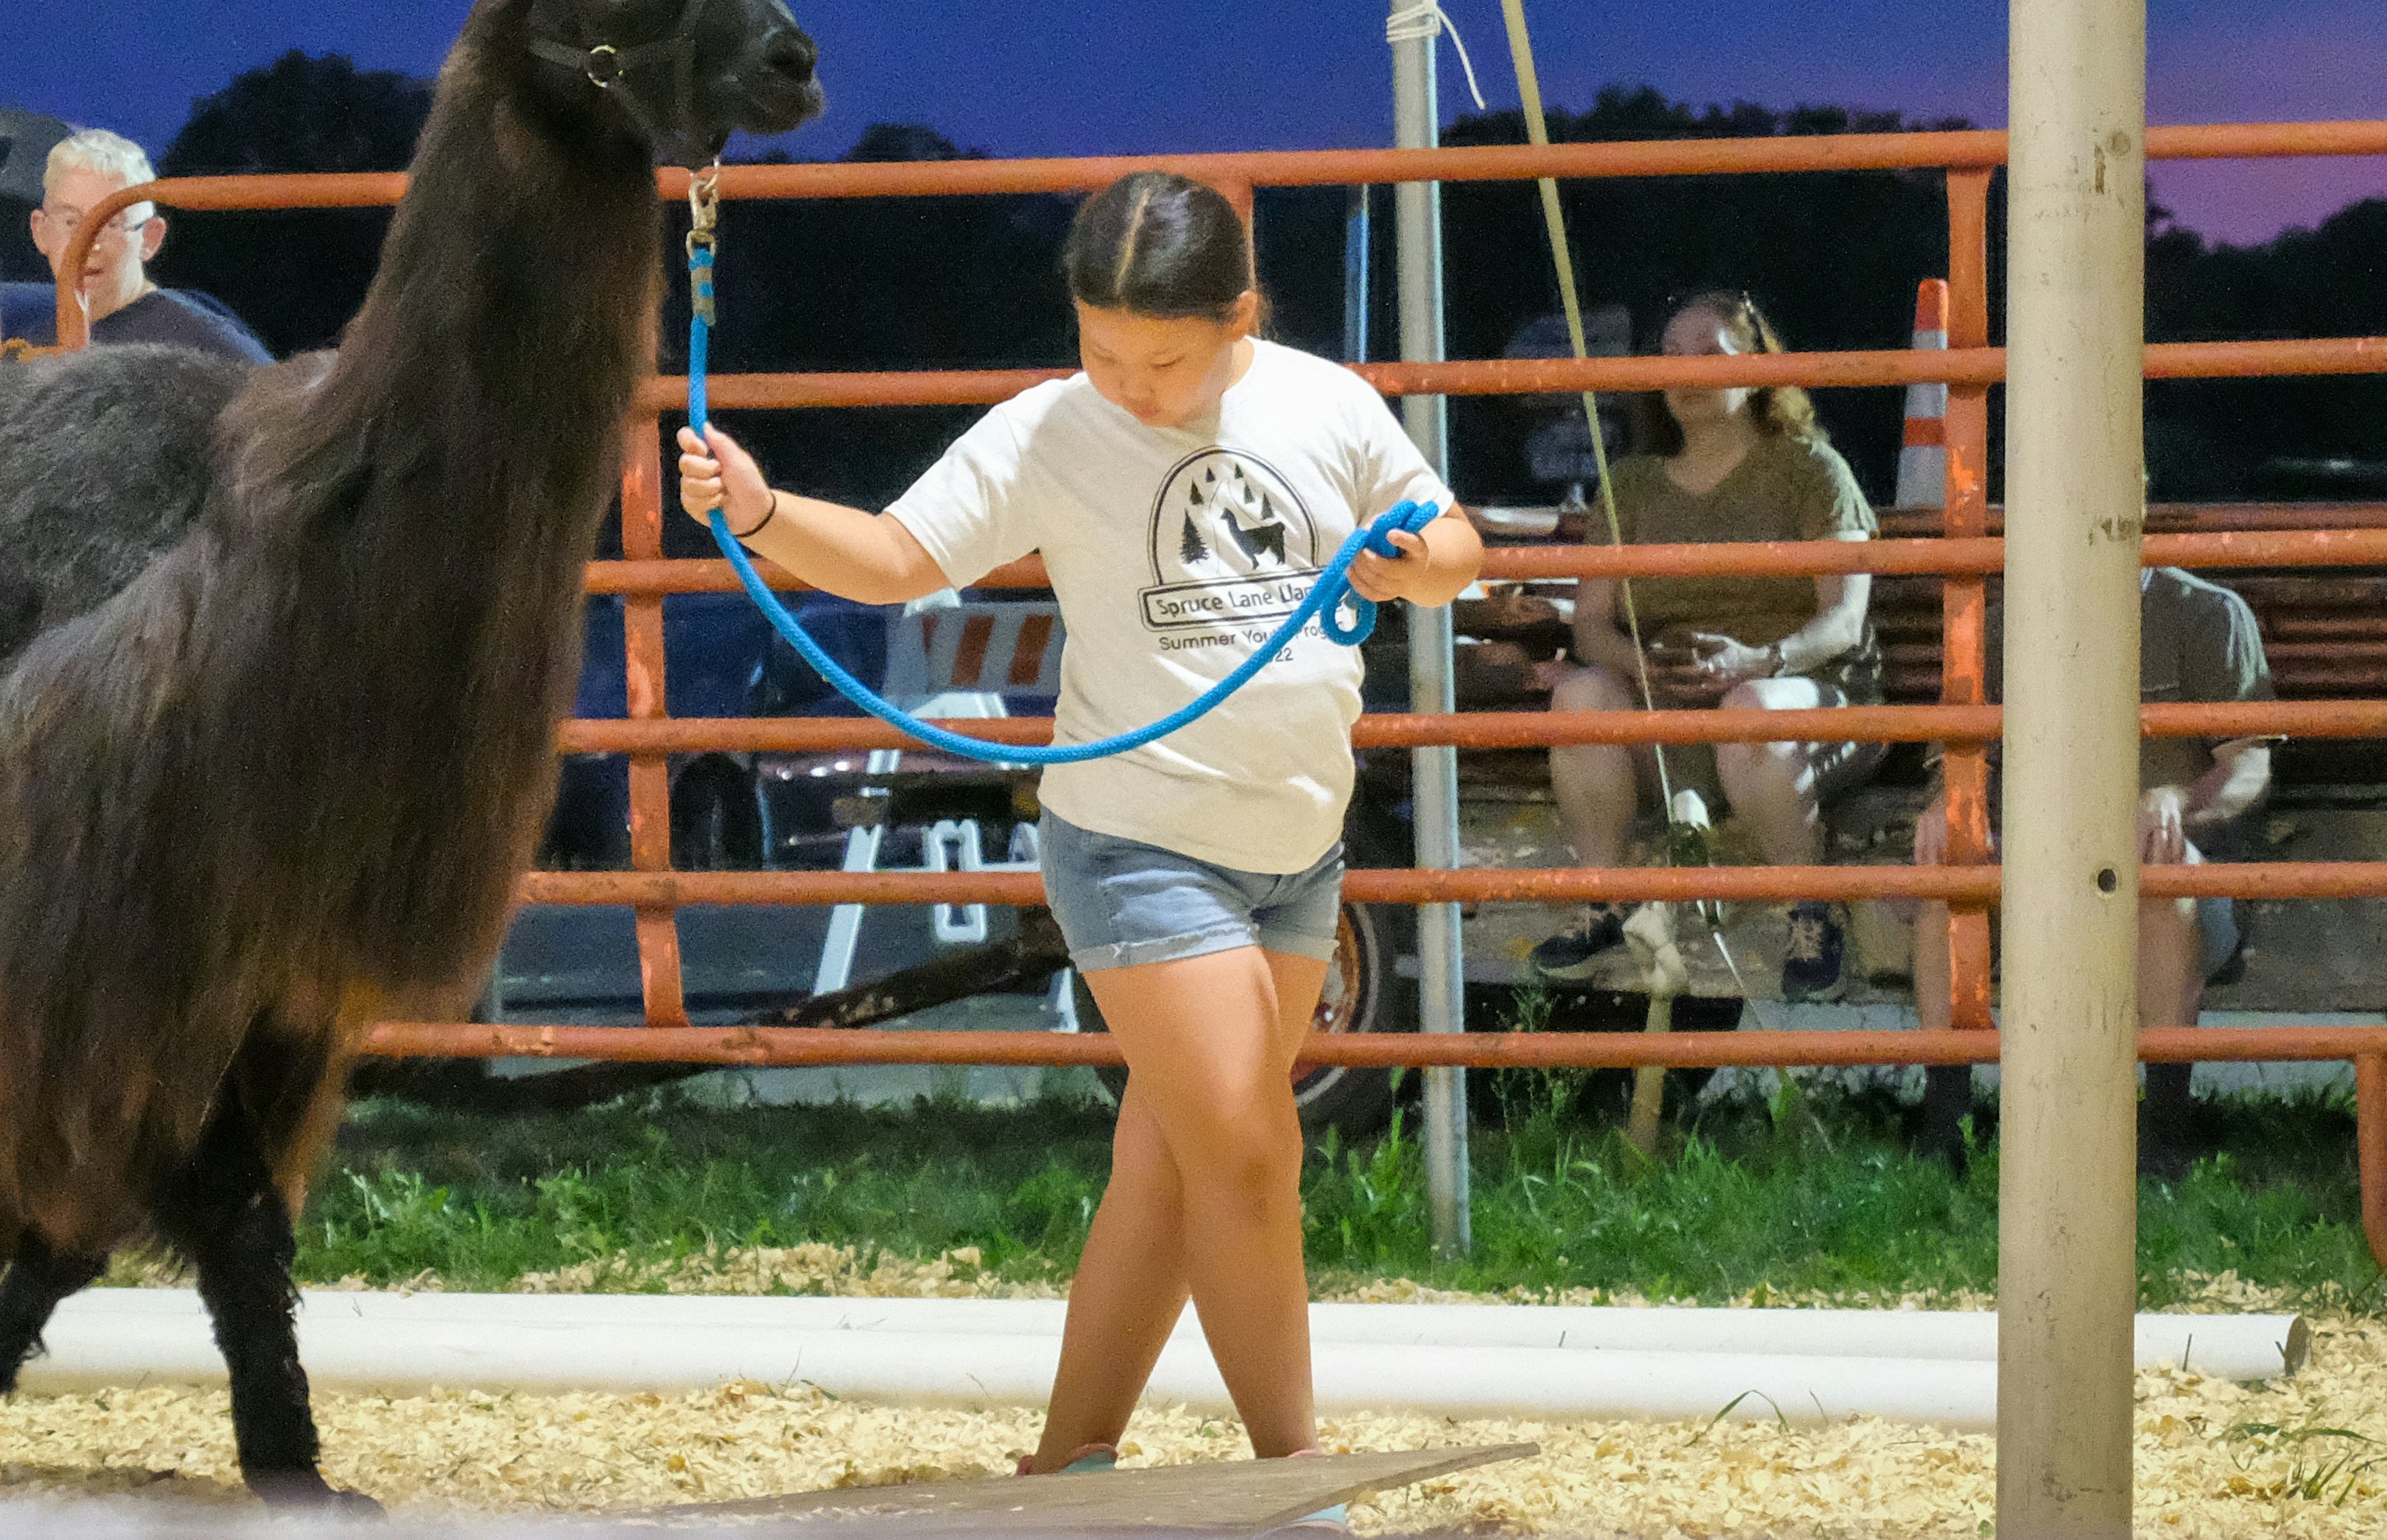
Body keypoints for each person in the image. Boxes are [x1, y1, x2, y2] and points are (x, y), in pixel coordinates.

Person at [674, 171, 1476, 1471]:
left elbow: (1451, 543)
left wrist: (1420, 562)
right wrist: (760, 513)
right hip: (1136, 845)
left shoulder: (1325, 404)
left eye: (1161, 359)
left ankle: (1066, 1463)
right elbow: (895, 556)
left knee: (1171, 1168)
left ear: (1240, 316)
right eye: (1100, 349)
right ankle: (1298, 1475)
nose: (1129, 385)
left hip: (1293, 850)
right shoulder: (1052, 430)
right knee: (1248, 1148)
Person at [1527, 289, 1881, 1001]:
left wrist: (1756, 662)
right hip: (1672, 713)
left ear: (1754, 370)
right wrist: (1642, 667)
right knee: (1581, 694)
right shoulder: (1628, 485)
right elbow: (1591, 626)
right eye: (1670, 354)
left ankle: (1811, 914)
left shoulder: (1811, 469)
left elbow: (1842, 623)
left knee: (1750, 706)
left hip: (1795, 705)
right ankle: (1602, 904)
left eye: (1709, 353)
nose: (1686, 370)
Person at [1908, 561, 2279, 1179]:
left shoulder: (2206, 611)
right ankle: (1945, 1117)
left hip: (2169, 876)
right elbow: (1962, 760)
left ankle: (2164, 1126)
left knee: (2158, 870)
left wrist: (2175, 801)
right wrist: (1947, 807)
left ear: (2136, 499)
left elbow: (2251, 765)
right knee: (1949, 871)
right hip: (2034, 868)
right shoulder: (1999, 627)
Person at [34, 128, 268, 360]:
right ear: (40, 231)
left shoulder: (207, 346)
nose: (88, 245)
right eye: (71, 222)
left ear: (150, 238)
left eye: (111, 223)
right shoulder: (30, 348)